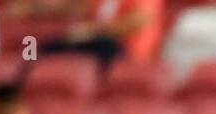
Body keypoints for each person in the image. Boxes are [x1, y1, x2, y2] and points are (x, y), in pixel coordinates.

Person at [16, 0, 164, 70]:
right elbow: (74, 7)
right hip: (95, 45)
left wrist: (92, 30)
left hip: (125, 52)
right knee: (49, 46)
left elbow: (137, 20)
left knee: (102, 44)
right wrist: (31, 8)